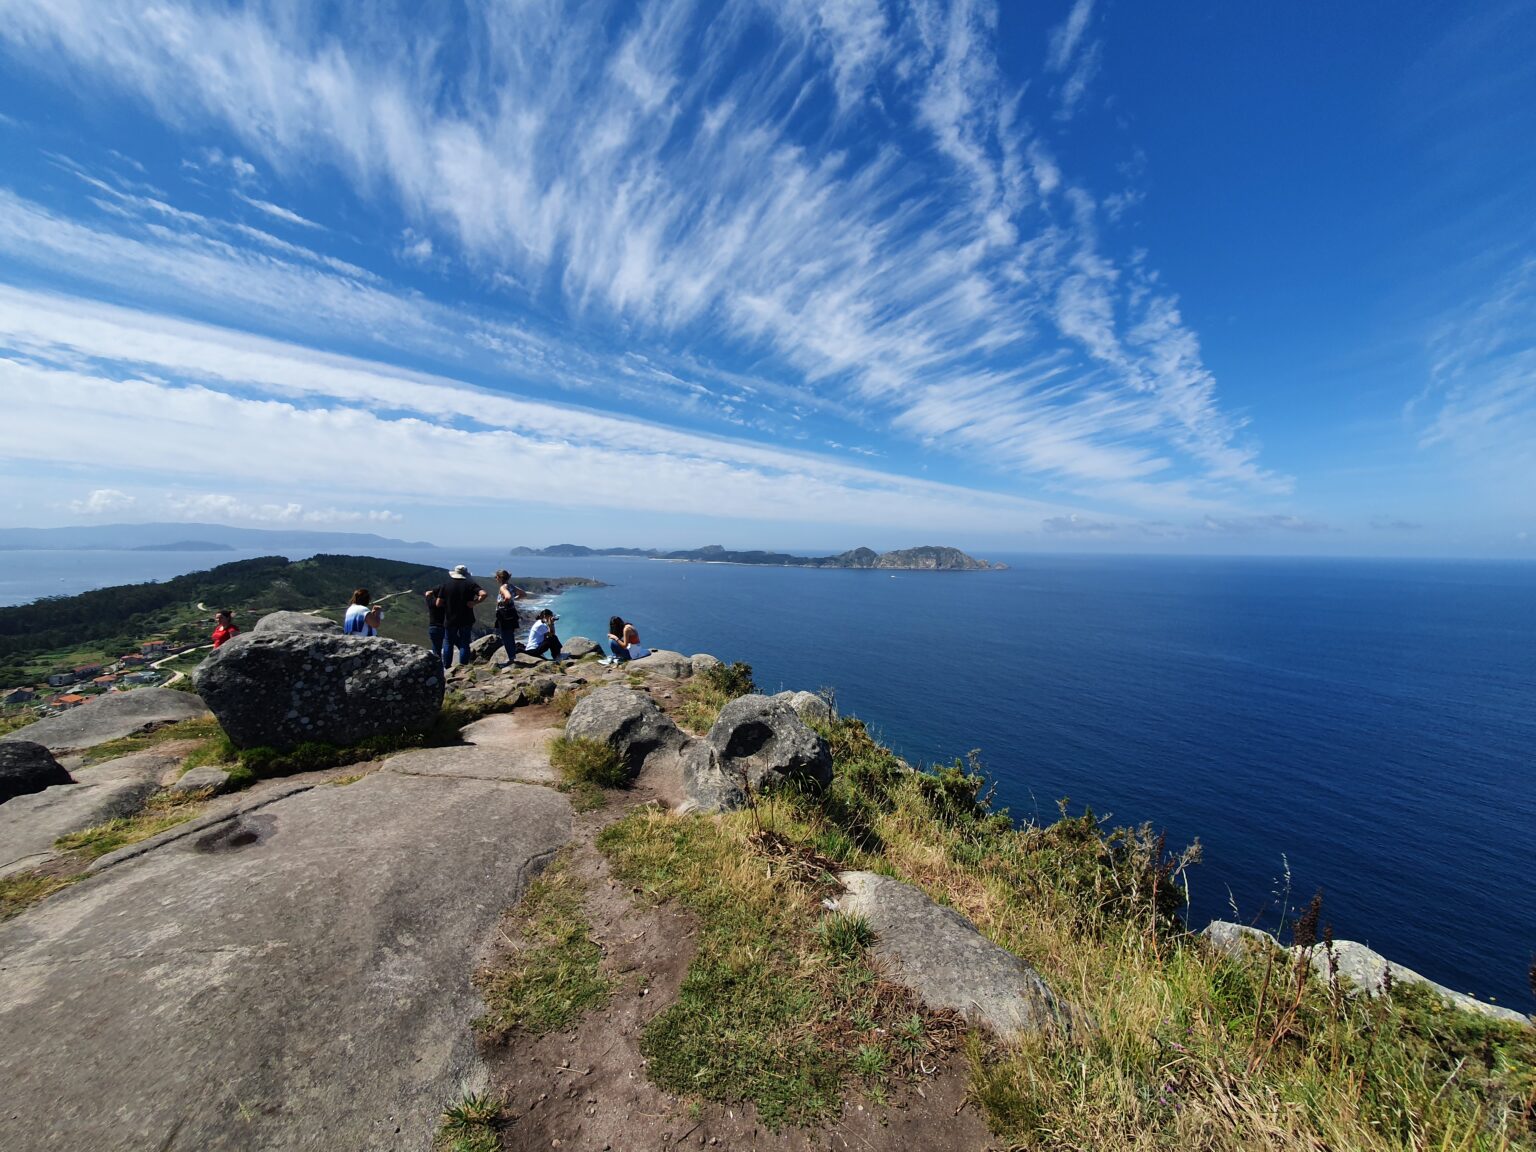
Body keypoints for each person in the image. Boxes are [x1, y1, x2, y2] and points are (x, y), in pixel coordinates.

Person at [437, 564, 486, 669]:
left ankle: (447, 666)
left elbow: (438, 603)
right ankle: (463, 666)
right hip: (466, 618)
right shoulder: (470, 584)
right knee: (464, 642)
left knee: (448, 643)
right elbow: (483, 594)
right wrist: (474, 602)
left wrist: (447, 604)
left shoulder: (446, 585)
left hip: (450, 618)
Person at [493, 569, 528, 657]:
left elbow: (507, 596)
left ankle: (511, 657)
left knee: (505, 636)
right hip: (512, 613)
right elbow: (523, 594)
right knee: (510, 635)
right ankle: (513, 655)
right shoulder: (511, 586)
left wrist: (503, 603)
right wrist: (514, 599)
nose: (495, 578)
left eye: (496, 577)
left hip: (504, 614)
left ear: (500, 578)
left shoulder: (503, 587)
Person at [424, 582, 447, 661]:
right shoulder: (444, 603)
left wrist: (433, 591)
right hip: (442, 627)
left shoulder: (430, 602)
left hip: (432, 627)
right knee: (440, 647)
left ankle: (437, 664)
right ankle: (440, 664)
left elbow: (427, 593)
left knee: (435, 647)